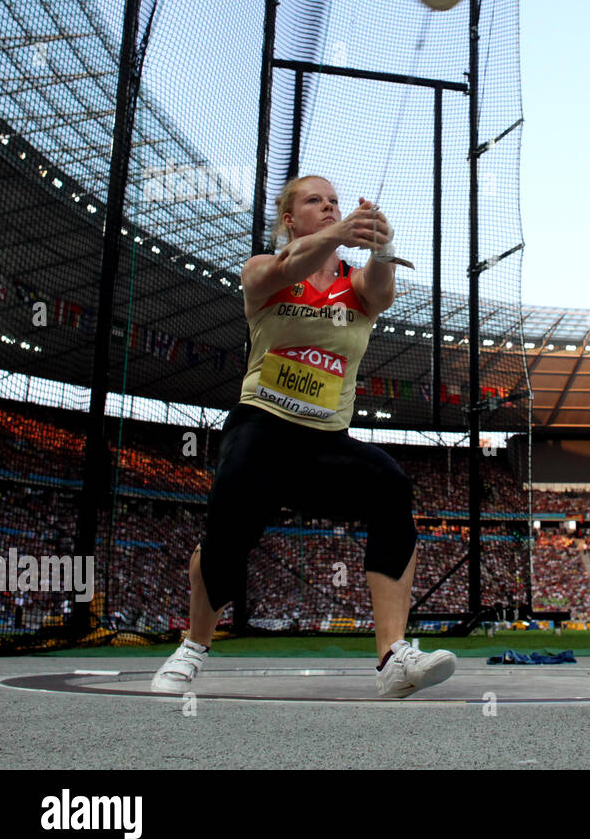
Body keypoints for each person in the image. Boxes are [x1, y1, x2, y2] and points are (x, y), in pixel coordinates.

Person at [152, 175, 455, 698]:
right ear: (291, 219)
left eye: (335, 202)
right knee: (226, 534)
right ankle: (192, 648)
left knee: (392, 487)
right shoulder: (264, 273)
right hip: (261, 427)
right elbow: (288, 265)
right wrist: (340, 231)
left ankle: (392, 659)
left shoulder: (355, 284)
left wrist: (382, 250)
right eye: (316, 201)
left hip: (325, 442)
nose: (329, 206)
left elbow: (380, 292)